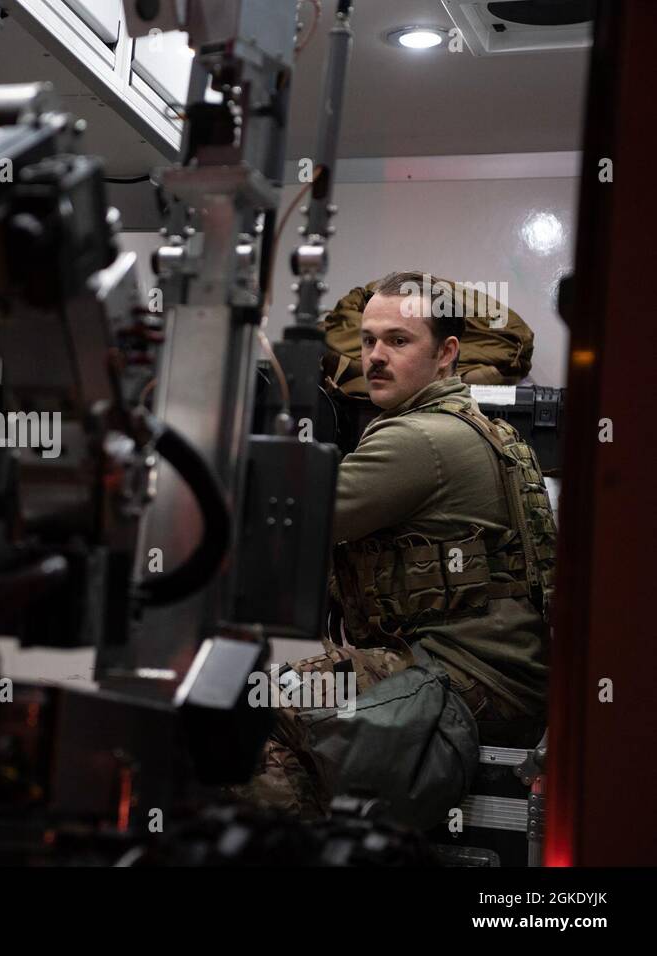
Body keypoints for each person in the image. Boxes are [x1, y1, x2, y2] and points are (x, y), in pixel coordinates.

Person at [232, 270, 556, 818]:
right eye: (367, 341)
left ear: (446, 352)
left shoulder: (419, 438)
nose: (374, 356)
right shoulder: (483, 427)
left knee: (236, 711)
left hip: (463, 681)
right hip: (506, 682)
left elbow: (287, 519)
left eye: (398, 341)